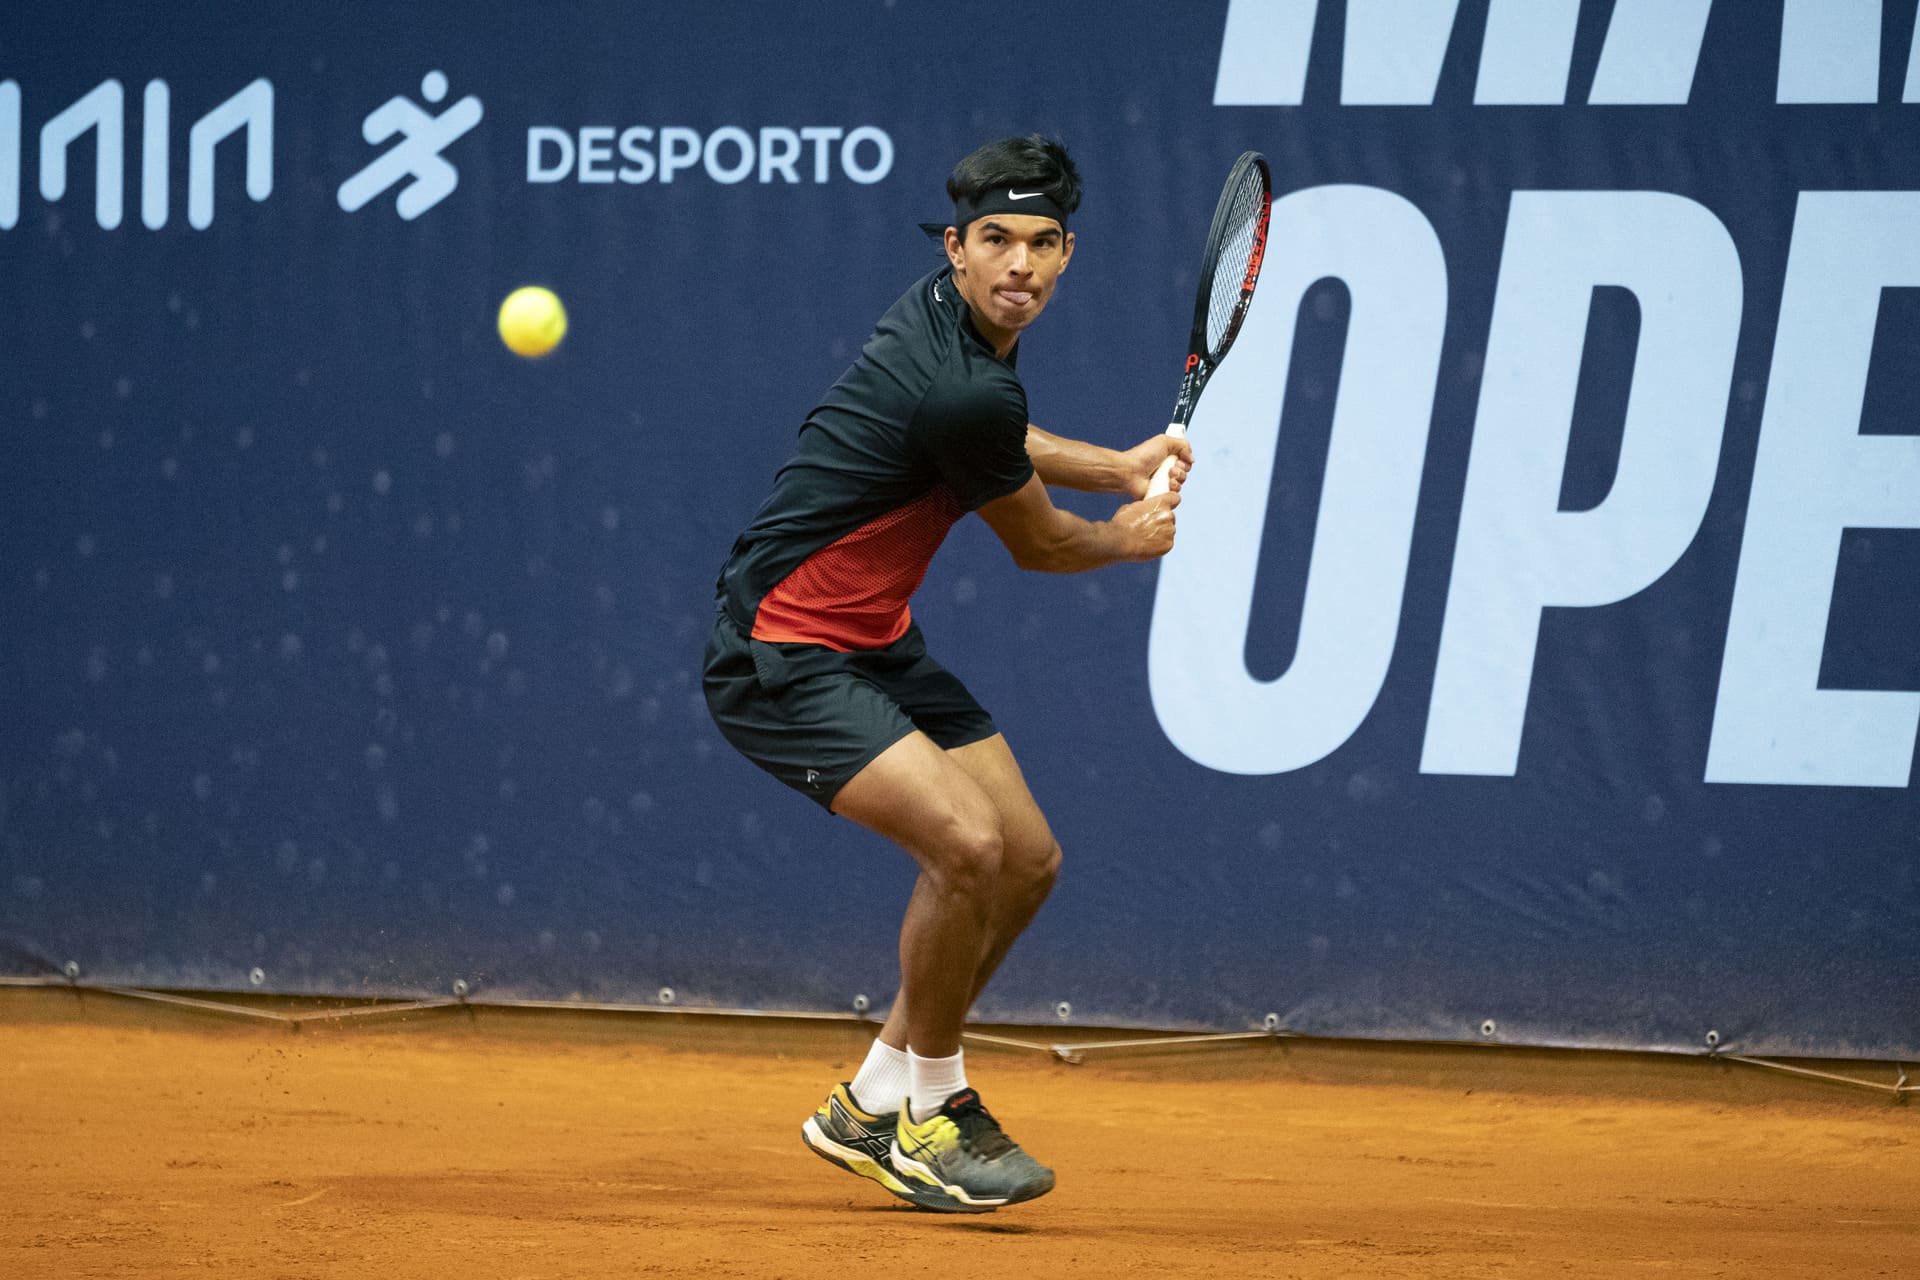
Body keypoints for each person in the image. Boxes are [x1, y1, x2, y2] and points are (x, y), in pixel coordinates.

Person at [702, 134, 1191, 1213]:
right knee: (965, 844)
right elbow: (1046, 543)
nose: (1020, 265)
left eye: (1043, 242)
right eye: (997, 241)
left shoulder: (955, 320)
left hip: (874, 636)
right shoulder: (963, 385)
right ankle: (932, 1112)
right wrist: (1133, 533)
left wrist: (1115, 462)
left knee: (1025, 859)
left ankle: (873, 1097)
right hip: (779, 644)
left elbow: (998, 435)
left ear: (1068, 251)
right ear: (955, 246)